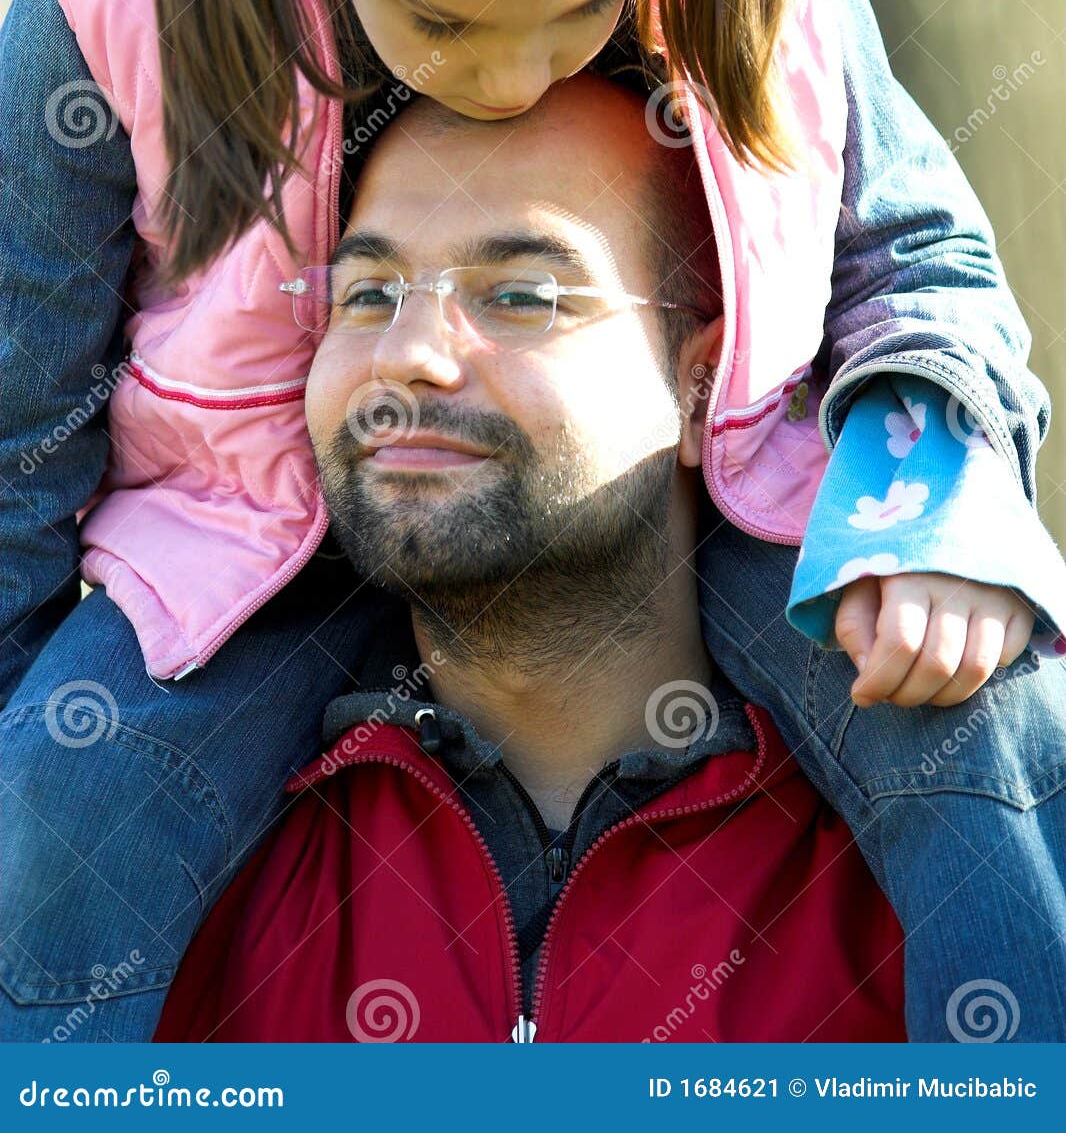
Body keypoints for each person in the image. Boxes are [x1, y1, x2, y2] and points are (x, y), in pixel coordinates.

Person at [2, 0, 1063, 1042]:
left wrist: (928, 509)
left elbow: (918, 256)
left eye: (573, 11)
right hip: (223, 528)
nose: (511, 81)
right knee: (55, 804)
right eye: (443, 21)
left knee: (983, 721)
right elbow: (17, 384)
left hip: (712, 473)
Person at [155, 73, 907, 1044]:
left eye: (521, 294)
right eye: (370, 291)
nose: (409, 353)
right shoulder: (179, 879)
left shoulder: (916, 885)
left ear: (700, 384)